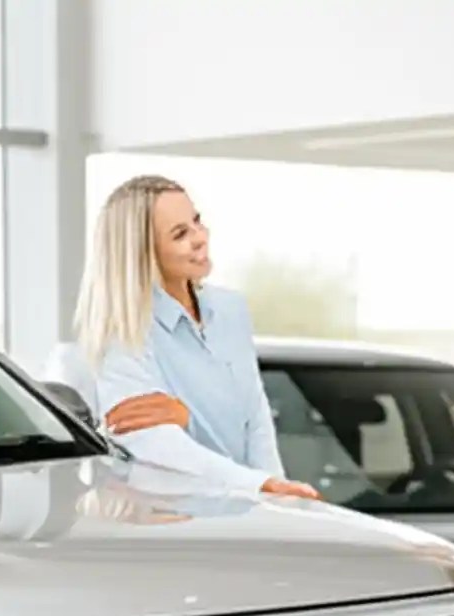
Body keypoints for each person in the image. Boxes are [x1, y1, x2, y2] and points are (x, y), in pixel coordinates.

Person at [72, 174, 318, 500]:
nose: (200, 237)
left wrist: (275, 490)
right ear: (143, 252)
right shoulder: (123, 333)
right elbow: (155, 444)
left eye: (197, 221)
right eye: (180, 234)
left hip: (252, 513)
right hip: (185, 524)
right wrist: (255, 484)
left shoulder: (230, 310)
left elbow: (256, 419)